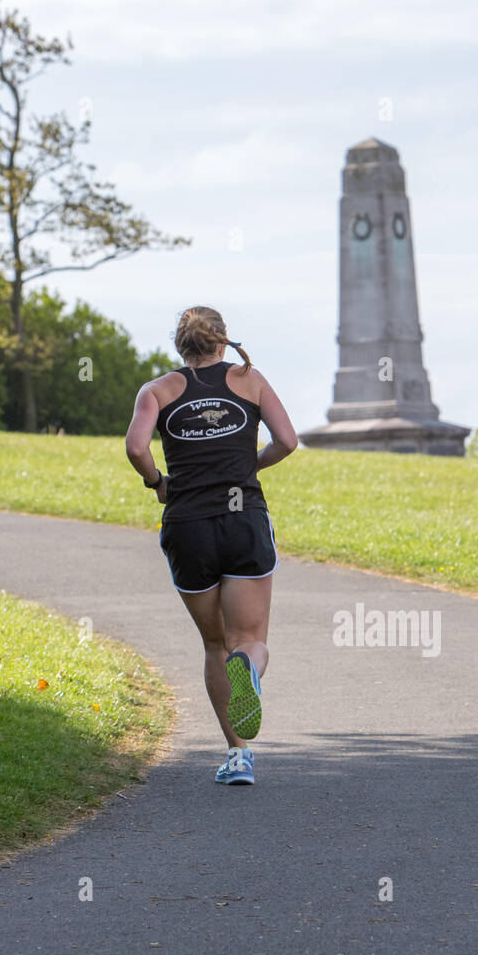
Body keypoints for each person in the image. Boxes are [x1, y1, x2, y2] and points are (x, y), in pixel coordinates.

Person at [125, 305, 298, 785]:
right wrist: (249, 466)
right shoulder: (250, 380)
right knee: (249, 640)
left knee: (214, 643)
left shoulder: (156, 391)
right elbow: (287, 440)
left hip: (187, 524)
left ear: (180, 347)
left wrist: (157, 481)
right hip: (243, 519)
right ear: (221, 342)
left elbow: (136, 448)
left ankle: (238, 756)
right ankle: (249, 668)